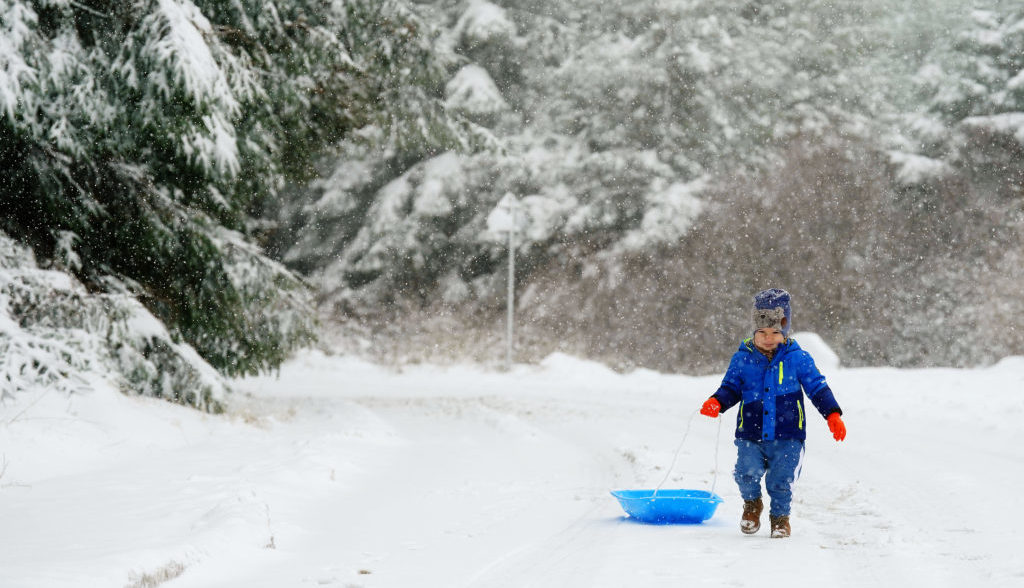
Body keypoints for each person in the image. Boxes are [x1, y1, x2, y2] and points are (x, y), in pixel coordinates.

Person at [699, 288, 846, 538]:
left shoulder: (798, 359)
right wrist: (717, 401)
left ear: (785, 332)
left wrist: (832, 414)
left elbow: (817, 387)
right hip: (750, 434)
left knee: (781, 481)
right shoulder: (742, 359)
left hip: (788, 435)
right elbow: (731, 387)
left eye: (775, 332)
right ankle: (752, 504)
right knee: (746, 473)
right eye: (762, 333)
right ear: (754, 332)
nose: (768, 338)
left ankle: (779, 518)